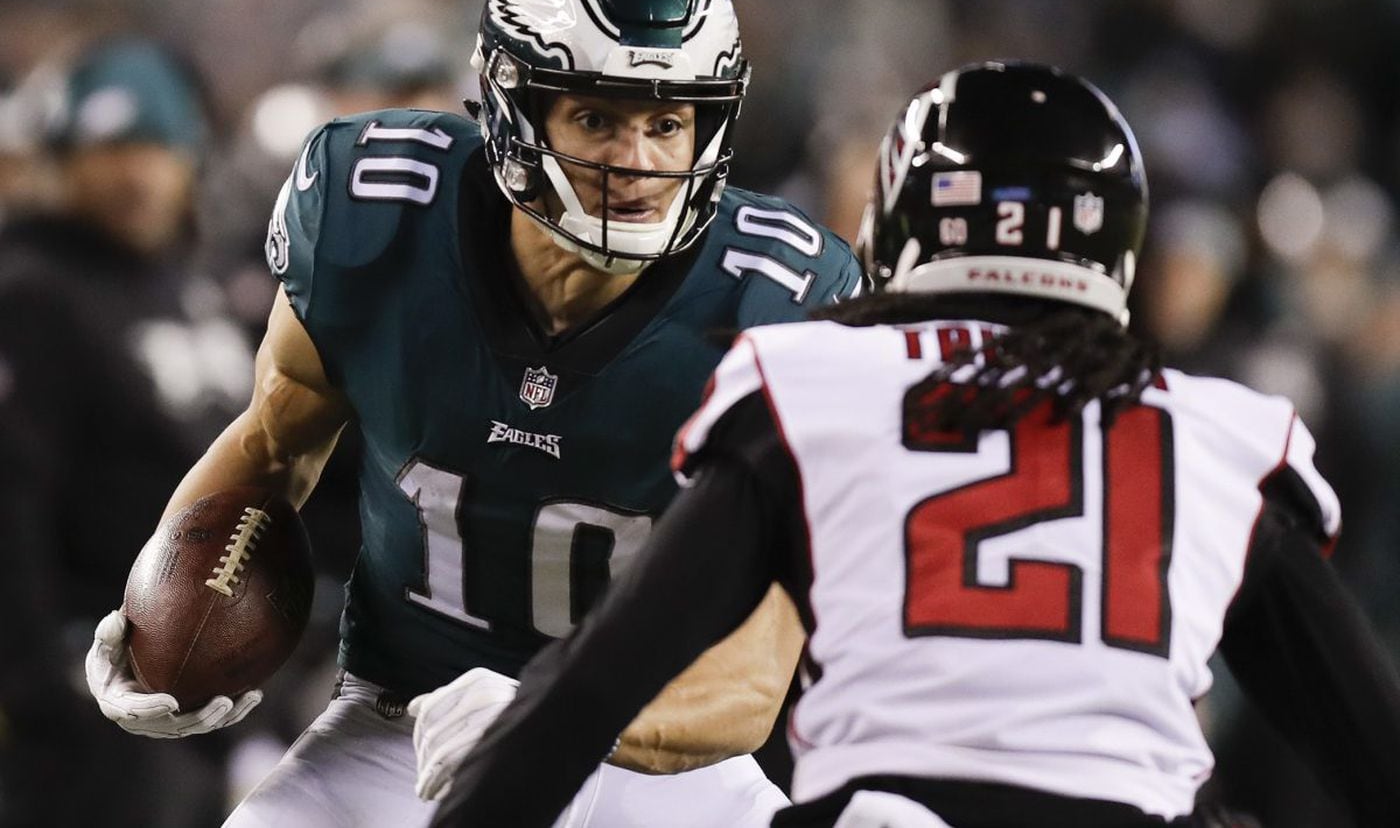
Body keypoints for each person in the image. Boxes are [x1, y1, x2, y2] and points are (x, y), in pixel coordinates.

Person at [431, 62, 1400, 828]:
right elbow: (1371, 745)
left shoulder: (814, 385)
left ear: (902, 220)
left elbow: (595, 686)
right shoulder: (1218, 435)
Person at [85, 0, 864, 828]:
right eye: (597, 117)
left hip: (654, 756)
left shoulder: (779, 301)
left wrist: (559, 712)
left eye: (667, 121)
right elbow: (271, 445)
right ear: (512, 105)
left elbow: (753, 679)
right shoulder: (376, 210)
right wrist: (163, 610)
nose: (638, 161)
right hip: (405, 727)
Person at [0, 37, 252, 826]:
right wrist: (41, 688)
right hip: (94, 693)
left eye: (156, 148)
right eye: (110, 151)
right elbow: (10, 501)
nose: (137, 175)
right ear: (64, 162)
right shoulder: (34, 292)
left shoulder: (196, 290)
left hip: (212, 693)